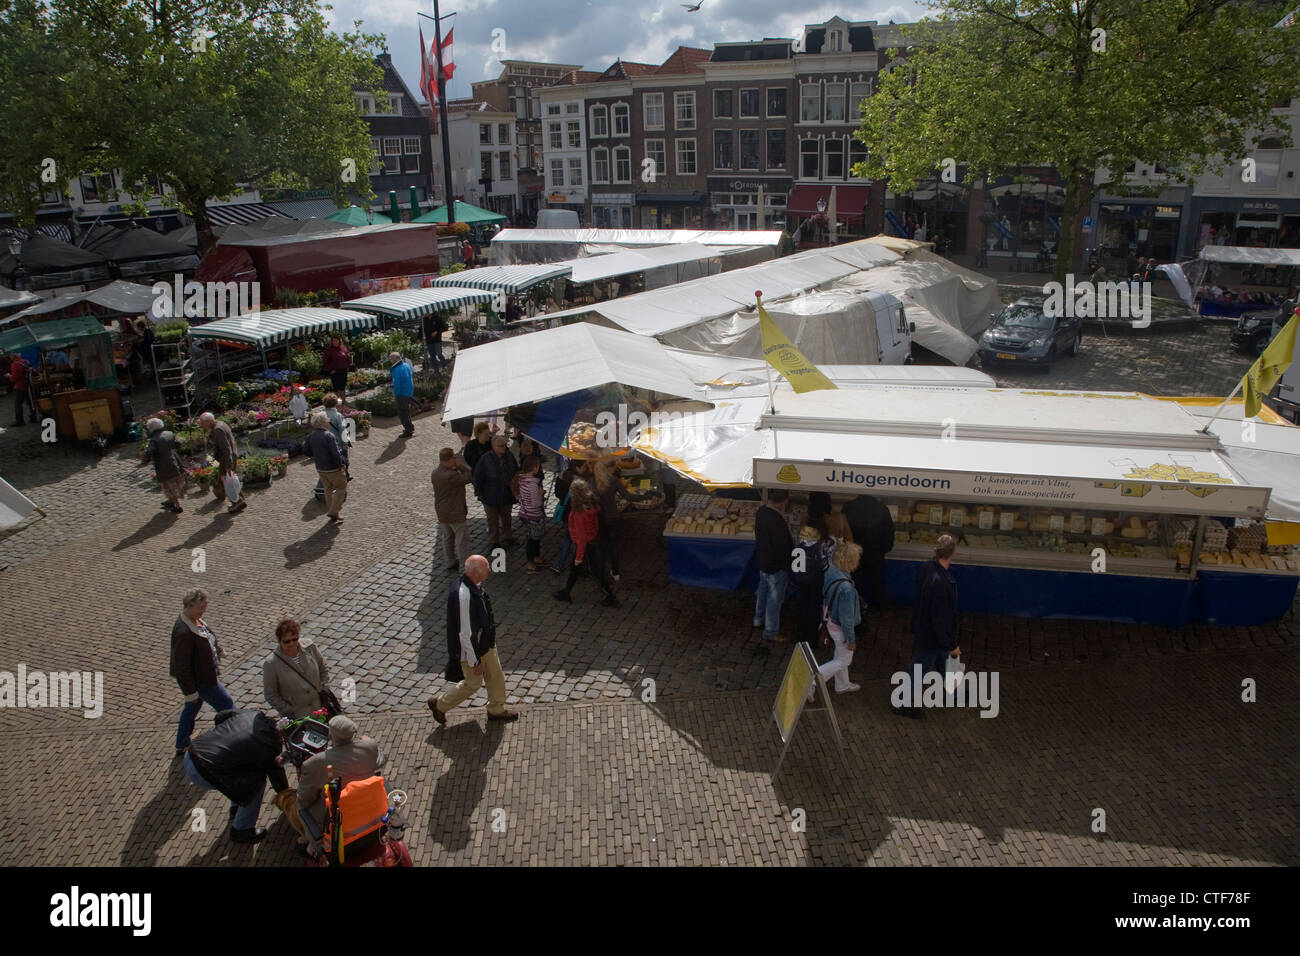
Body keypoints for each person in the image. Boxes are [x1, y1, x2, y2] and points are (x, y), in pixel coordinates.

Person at [428, 554, 519, 724]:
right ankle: (440, 705)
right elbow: (465, 633)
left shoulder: (472, 584)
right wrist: (474, 661)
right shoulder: (464, 595)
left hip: (485, 642)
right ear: (475, 572)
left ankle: (496, 709)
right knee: (473, 683)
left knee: (495, 675)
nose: (490, 569)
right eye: (486, 567)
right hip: (472, 648)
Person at [184, 708, 290, 844]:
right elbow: (276, 774)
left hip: (193, 752)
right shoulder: (270, 745)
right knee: (255, 783)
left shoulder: (251, 713)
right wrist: (285, 795)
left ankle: (237, 807)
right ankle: (242, 830)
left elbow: (220, 716)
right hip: (204, 772)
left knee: (240, 772)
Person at [899, 534, 960, 719]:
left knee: (944, 663)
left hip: (924, 629)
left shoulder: (927, 568)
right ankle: (903, 702)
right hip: (932, 637)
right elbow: (940, 619)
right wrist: (951, 644)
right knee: (920, 669)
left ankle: (952, 693)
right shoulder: (942, 583)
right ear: (952, 554)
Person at [171, 587, 235, 755]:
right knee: (227, 706)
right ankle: (228, 738)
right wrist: (190, 692)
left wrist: (217, 649)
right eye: (201, 607)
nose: (203, 611)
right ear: (189, 606)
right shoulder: (184, 633)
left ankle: (182, 743)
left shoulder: (194, 620)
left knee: (191, 708)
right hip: (202, 680)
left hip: (203, 676)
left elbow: (206, 636)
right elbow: (181, 667)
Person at [296, 715, 385, 830]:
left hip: (339, 813)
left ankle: (314, 844)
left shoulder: (316, 763)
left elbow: (305, 798)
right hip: (368, 799)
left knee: (301, 807)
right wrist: (368, 743)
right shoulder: (369, 745)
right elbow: (380, 760)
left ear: (331, 735)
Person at [552, 478, 617, 607]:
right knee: (580, 570)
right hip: (593, 540)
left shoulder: (579, 514)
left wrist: (579, 557)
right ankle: (566, 592)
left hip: (586, 545)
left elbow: (582, 537)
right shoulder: (592, 505)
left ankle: (610, 596)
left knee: (594, 571)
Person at [817, 541, 863, 694]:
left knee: (839, 654)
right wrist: (851, 640)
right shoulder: (847, 589)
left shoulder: (831, 570)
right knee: (844, 660)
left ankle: (842, 685)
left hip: (830, 620)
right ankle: (812, 680)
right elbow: (847, 618)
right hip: (839, 627)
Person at [592, 459, 650, 581]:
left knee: (602, 544)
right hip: (613, 517)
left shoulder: (594, 481)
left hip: (600, 517)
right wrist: (646, 496)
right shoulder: (614, 481)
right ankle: (616, 572)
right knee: (614, 545)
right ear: (610, 468)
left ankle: (599, 571)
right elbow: (628, 496)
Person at [263, 618, 332, 719]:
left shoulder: (310, 647)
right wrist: (289, 710)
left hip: (320, 709)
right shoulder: (271, 663)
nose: (291, 643)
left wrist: (324, 689)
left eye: (295, 639)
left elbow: (323, 668)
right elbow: (270, 694)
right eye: (286, 641)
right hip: (297, 717)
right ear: (279, 641)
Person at [841, 493, 895, 609]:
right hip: (875, 551)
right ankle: (879, 603)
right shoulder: (881, 508)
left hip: (854, 550)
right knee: (877, 580)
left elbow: (843, 528)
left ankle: (856, 604)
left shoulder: (848, 507)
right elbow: (889, 531)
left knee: (856, 579)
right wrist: (885, 548)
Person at [754, 489, 793, 643]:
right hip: (776, 565)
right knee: (774, 599)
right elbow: (782, 547)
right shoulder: (776, 520)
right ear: (783, 502)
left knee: (763, 591)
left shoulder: (761, 512)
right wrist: (787, 565)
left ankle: (758, 619)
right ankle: (770, 631)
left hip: (763, 561)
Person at [473, 434, 518, 549]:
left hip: (506, 494)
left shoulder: (509, 456)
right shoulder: (485, 459)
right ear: (494, 446)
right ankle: (495, 541)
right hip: (490, 496)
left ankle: (509, 537)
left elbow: (516, 472)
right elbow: (477, 478)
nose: (504, 448)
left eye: (505, 445)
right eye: (501, 446)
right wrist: (480, 494)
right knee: (492, 521)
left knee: (507, 518)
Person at [432, 447, 473, 571]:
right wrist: (461, 466)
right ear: (449, 460)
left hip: (442, 511)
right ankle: (463, 566)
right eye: (454, 458)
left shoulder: (435, 472)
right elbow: (468, 477)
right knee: (461, 540)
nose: (455, 460)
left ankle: (450, 561)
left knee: (447, 538)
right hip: (455, 512)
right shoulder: (451, 475)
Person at [198, 412, 245, 514]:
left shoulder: (217, 429)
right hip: (228, 457)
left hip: (226, 459)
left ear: (208, 421)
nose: (202, 426)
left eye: (203, 423)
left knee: (227, 481)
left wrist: (228, 465)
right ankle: (239, 499)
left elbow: (225, 448)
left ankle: (237, 502)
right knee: (231, 480)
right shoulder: (221, 423)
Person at [551, 458, 591, 573]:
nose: (585, 468)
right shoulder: (580, 482)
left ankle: (559, 564)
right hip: (575, 514)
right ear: (578, 467)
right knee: (576, 540)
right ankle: (577, 565)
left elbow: (557, 493)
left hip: (565, 513)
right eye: (584, 466)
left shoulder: (562, 475)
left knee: (567, 538)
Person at [306, 410, 347, 523]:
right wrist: (341, 464)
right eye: (327, 420)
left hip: (320, 468)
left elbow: (307, 452)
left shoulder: (311, 436)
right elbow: (336, 454)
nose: (328, 422)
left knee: (328, 489)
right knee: (341, 487)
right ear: (323, 422)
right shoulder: (329, 436)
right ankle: (334, 511)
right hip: (332, 468)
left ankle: (334, 513)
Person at [791, 525, 828, 648]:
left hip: (800, 580)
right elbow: (824, 564)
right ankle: (811, 639)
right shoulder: (820, 545)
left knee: (801, 606)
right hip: (815, 582)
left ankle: (801, 635)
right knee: (814, 608)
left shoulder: (798, 542)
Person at [142, 417, 186, 513]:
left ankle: (177, 507)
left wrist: (145, 461)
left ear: (152, 428)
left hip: (163, 465)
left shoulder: (154, 440)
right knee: (176, 482)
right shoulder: (169, 434)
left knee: (169, 486)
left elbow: (149, 452)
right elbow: (178, 444)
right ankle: (170, 502)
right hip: (175, 461)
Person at [512, 454, 546, 572]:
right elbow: (536, 503)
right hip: (532, 515)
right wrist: (540, 494)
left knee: (535, 537)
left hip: (524, 512)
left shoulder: (522, 480)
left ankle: (536, 557)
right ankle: (530, 563)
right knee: (532, 539)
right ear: (535, 467)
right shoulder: (532, 484)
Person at [322, 393, 352, 482]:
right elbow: (343, 430)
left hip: (324, 443)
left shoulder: (321, 415)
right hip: (337, 442)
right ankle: (345, 475)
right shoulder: (338, 416)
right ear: (335, 403)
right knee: (343, 460)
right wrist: (346, 443)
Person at [5, 352, 37, 426]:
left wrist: (9, 376)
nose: (9, 357)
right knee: (31, 403)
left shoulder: (14, 364)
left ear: (13, 356)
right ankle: (33, 417)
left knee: (18, 404)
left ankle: (19, 420)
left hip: (20, 386)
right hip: (29, 385)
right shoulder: (26, 361)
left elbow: (15, 378)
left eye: (10, 356)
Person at [389, 351, 415, 438]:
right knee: (406, 411)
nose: (390, 361)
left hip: (402, 393)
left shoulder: (396, 370)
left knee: (402, 413)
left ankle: (408, 430)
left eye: (391, 359)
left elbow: (397, 384)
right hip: (408, 391)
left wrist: (396, 394)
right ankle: (410, 427)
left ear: (394, 359)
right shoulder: (406, 365)